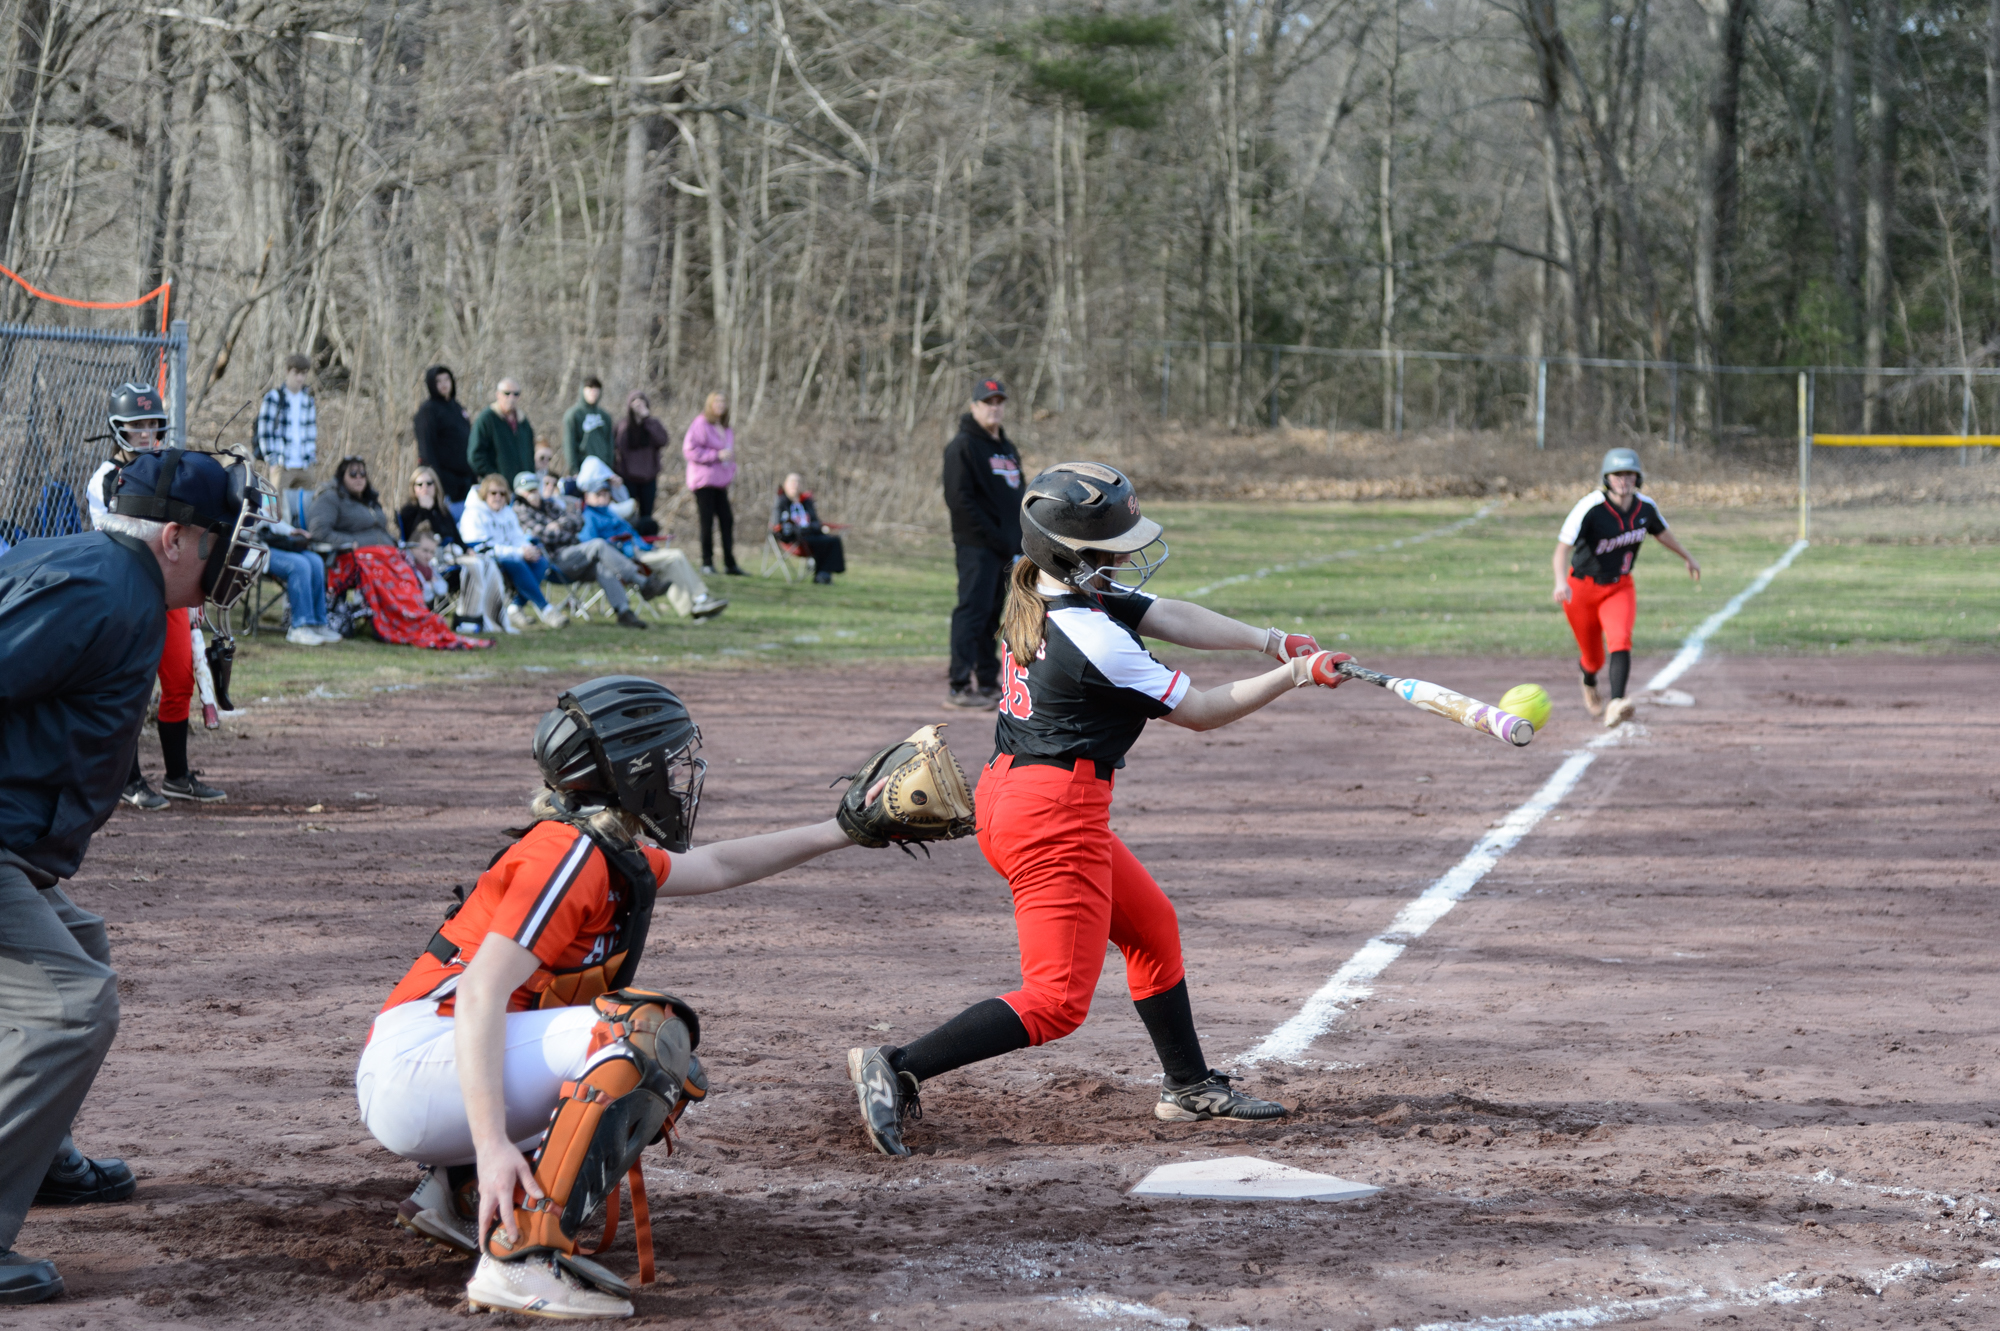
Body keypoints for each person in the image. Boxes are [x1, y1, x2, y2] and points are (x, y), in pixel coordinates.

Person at [356, 677, 943, 1317]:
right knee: (638, 1037)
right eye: (666, 761)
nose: (679, 774)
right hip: (419, 1066)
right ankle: (519, 1257)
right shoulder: (569, 853)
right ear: (631, 771)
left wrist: (842, 829)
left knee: (656, 1053)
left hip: (430, 1070)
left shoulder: (601, 849)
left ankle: (456, 1194)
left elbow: (717, 866)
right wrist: (494, 1144)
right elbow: (478, 997)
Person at [846, 462, 1350, 1158]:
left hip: (1021, 795)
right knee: (1055, 999)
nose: (1123, 557)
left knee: (1150, 927)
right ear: (1072, 557)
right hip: (1054, 816)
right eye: (1109, 549)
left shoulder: (1046, 593)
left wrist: (1269, 639)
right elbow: (1200, 711)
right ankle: (899, 1065)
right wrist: (1292, 675)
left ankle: (1187, 1085)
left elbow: (1165, 611)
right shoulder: (1098, 639)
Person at [0, 447, 263, 1305]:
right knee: (73, 1002)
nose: (235, 552)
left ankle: (36, 1155)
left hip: (17, 846)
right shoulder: (105, 590)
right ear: (177, 536)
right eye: (223, 535)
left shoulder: (107, 576)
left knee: (79, 940)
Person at [85, 384, 226, 807]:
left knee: (180, 680)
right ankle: (127, 780)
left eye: (152, 425)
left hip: (172, 594)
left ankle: (177, 776)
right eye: (136, 426)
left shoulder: (168, 468)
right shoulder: (106, 477)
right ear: (117, 429)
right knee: (134, 686)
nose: (146, 434)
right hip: (130, 591)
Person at [1552, 448, 1701, 728]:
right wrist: (1560, 582)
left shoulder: (1645, 507)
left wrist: (1687, 556)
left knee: (1620, 640)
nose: (1624, 480)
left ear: (1638, 478)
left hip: (1619, 587)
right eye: (1618, 474)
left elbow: (1662, 533)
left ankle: (1616, 704)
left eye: (1629, 474)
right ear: (1607, 478)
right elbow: (1562, 549)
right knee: (1593, 658)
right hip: (1580, 589)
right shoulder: (1591, 507)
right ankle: (1589, 680)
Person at [309, 456, 492, 650]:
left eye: (362, 473)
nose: (359, 478)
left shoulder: (369, 501)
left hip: (387, 555)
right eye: (352, 473)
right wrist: (348, 543)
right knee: (388, 579)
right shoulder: (330, 497)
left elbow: (383, 531)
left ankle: (420, 621)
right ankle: (399, 625)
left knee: (408, 578)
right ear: (341, 476)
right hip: (353, 558)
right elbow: (319, 531)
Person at [941, 376, 1023, 709]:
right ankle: (960, 685)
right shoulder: (962, 446)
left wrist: (1017, 539)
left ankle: (988, 682)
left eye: (999, 401)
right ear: (974, 406)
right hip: (977, 546)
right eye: (987, 402)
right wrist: (994, 536)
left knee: (994, 615)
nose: (994, 407)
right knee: (971, 613)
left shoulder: (1007, 447)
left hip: (1007, 548)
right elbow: (959, 501)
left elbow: (1016, 496)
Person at [512, 470, 658, 630]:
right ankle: (641, 582)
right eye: (528, 492)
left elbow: (578, 521)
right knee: (598, 544)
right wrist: (562, 527)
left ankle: (624, 612)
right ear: (520, 494)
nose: (533, 495)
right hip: (556, 561)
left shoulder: (549, 504)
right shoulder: (520, 511)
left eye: (535, 490)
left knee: (602, 567)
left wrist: (558, 525)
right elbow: (546, 536)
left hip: (576, 553)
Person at [575, 475, 727, 620]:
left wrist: (645, 545)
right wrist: (619, 545)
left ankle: (695, 607)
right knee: (675, 555)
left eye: (606, 494)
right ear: (588, 497)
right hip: (625, 557)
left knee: (671, 564)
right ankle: (701, 598)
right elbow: (591, 543)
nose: (603, 498)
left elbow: (631, 533)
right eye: (598, 495)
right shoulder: (588, 517)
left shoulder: (611, 513)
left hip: (639, 549)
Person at [400, 465, 503, 635]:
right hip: (430, 558)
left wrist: (467, 550)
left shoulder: (443, 510)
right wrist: (424, 510)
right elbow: (414, 538)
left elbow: (456, 537)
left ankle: (492, 617)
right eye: (420, 485)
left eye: (429, 483)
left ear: (436, 486)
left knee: (486, 563)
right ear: (413, 488)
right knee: (474, 566)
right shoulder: (409, 511)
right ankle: (467, 619)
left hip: (454, 554)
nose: (425, 488)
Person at [458, 473, 567, 632]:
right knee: (515, 562)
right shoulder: (473, 513)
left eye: (502, 493)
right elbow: (481, 546)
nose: (498, 497)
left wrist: (526, 548)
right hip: (485, 560)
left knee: (540, 561)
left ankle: (515, 608)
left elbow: (517, 537)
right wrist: (518, 552)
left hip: (510, 555)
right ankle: (546, 609)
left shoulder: (507, 513)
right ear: (484, 494)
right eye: (493, 493)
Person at [254, 511, 337, 647]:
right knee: (299, 565)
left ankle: (318, 624)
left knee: (316, 562)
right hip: (252, 546)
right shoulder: (236, 491)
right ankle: (300, 626)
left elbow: (267, 517)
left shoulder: (258, 490)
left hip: (272, 541)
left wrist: (291, 531)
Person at [682, 392, 742, 576]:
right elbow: (690, 450)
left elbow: (729, 453)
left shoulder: (725, 428)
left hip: (720, 482)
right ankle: (707, 562)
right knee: (707, 522)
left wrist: (731, 469)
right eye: (716, 402)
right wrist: (715, 455)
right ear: (710, 404)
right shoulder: (701, 423)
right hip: (704, 481)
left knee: (727, 520)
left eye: (723, 402)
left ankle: (729, 563)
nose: (720, 405)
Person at [414, 366, 477, 513]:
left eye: (447, 379)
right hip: (445, 481)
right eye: (438, 381)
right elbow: (426, 449)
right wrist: (437, 481)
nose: (444, 384)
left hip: (466, 480)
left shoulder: (458, 408)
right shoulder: (428, 411)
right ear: (431, 384)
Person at [254, 353, 317, 498]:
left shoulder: (308, 400)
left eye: (303, 374)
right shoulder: (274, 397)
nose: (300, 378)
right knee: (277, 512)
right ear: (288, 371)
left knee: (302, 513)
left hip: (304, 465)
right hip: (282, 464)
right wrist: (272, 460)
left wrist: (311, 459)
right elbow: (264, 431)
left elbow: (311, 431)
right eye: (296, 373)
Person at [772, 472, 846, 585]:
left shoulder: (806, 502)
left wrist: (812, 527)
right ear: (785, 484)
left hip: (811, 533)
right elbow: (778, 524)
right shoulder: (782, 502)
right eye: (792, 482)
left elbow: (816, 521)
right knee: (824, 542)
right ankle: (822, 575)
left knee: (833, 540)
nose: (795, 485)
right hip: (795, 538)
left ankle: (824, 574)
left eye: (798, 482)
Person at [612, 391, 668, 537]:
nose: (639, 405)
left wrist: (646, 418)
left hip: (648, 477)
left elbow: (662, 440)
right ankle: (629, 541)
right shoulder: (623, 425)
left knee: (647, 514)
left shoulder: (653, 424)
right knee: (628, 513)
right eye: (635, 402)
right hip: (628, 476)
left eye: (642, 402)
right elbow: (617, 445)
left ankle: (647, 542)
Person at [470, 379, 536, 486]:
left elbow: (530, 454)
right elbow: (475, 456)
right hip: (497, 490)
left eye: (516, 394)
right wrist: (494, 478)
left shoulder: (523, 422)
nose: (511, 397)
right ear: (498, 394)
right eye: (507, 393)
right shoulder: (486, 419)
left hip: (523, 486)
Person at [562, 377, 614, 476]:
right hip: (583, 469)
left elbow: (610, 443)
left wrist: (609, 468)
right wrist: (574, 470)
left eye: (596, 389)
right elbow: (569, 444)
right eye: (589, 388)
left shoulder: (605, 416)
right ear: (582, 390)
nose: (593, 392)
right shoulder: (574, 414)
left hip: (603, 469)